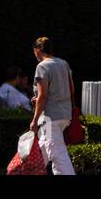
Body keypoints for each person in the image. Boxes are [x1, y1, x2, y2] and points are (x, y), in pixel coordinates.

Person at [28, 36, 75, 176]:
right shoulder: (63, 63)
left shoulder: (42, 66)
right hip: (65, 115)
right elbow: (71, 89)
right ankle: (28, 171)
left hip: (50, 118)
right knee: (45, 150)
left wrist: (34, 120)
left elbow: (42, 96)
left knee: (58, 155)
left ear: (37, 50)